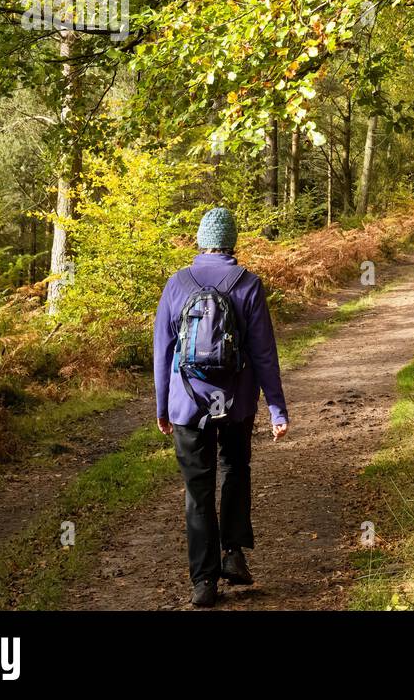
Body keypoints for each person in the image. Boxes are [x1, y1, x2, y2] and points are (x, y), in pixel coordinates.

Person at [153, 207, 289, 607]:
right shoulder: (248, 284)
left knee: (197, 490)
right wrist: (276, 409)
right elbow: (265, 354)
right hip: (236, 402)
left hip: (187, 405)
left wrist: (163, 406)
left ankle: (204, 582)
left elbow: (163, 354)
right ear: (233, 242)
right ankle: (234, 554)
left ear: (200, 241)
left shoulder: (176, 284)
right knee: (235, 470)